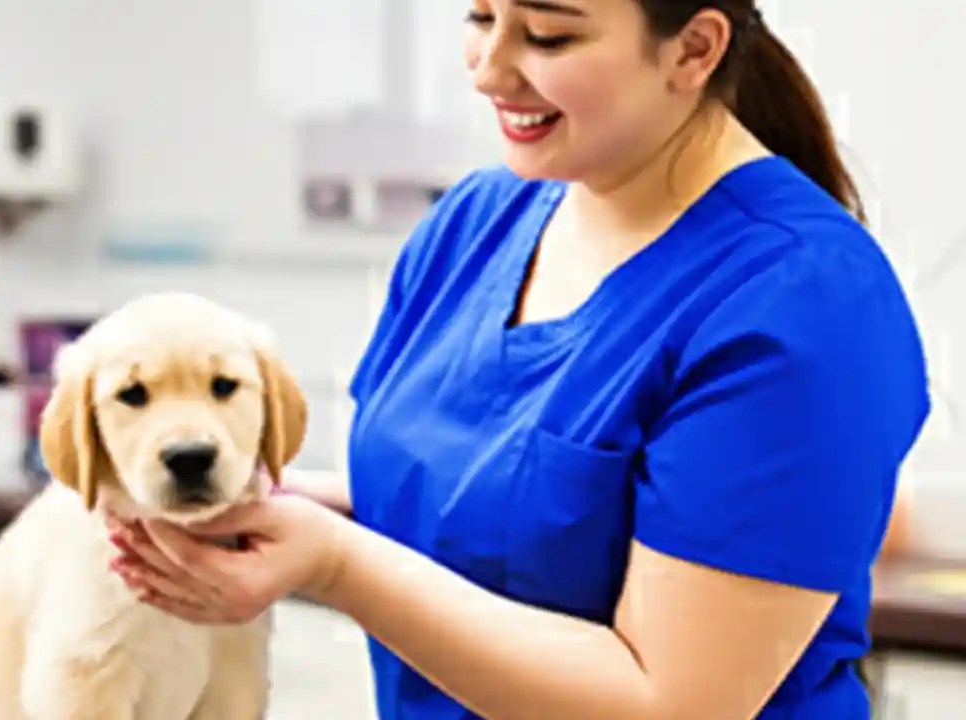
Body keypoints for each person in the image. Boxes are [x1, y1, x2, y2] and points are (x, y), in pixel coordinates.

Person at [105, 1, 930, 718]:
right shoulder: (477, 221)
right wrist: (290, 510)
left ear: (694, 48)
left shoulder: (802, 302)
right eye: (479, 17)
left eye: (547, 35)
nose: (491, 70)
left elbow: (672, 704)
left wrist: (334, 563)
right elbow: (499, 518)